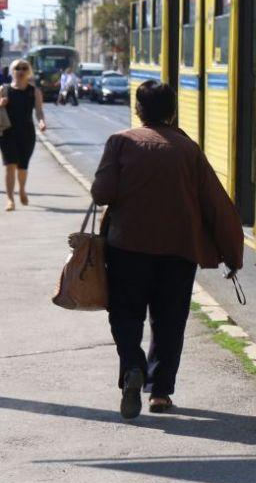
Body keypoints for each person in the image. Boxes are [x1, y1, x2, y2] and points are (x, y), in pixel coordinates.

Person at [91, 80, 243, 419]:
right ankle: (160, 394)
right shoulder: (189, 149)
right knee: (170, 321)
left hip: (127, 247)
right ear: (173, 112)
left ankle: (132, 366)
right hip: (179, 250)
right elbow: (216, 205)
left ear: (138, 110)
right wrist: (231, 253)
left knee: (126, 315)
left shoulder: (121, 142)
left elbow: (101, 193)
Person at [1, 59, 47, 211]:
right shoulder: (4, 89)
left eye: (24, 68)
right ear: (12, 71)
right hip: (7, 133)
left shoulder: (34, 91)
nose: (20, 71)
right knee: (10, 166)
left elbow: (39, 111)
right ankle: (10, 199)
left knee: (22, 167)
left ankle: (21, 189)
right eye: (17, 68)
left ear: (28, 72)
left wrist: (41, 122)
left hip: (27, 134)